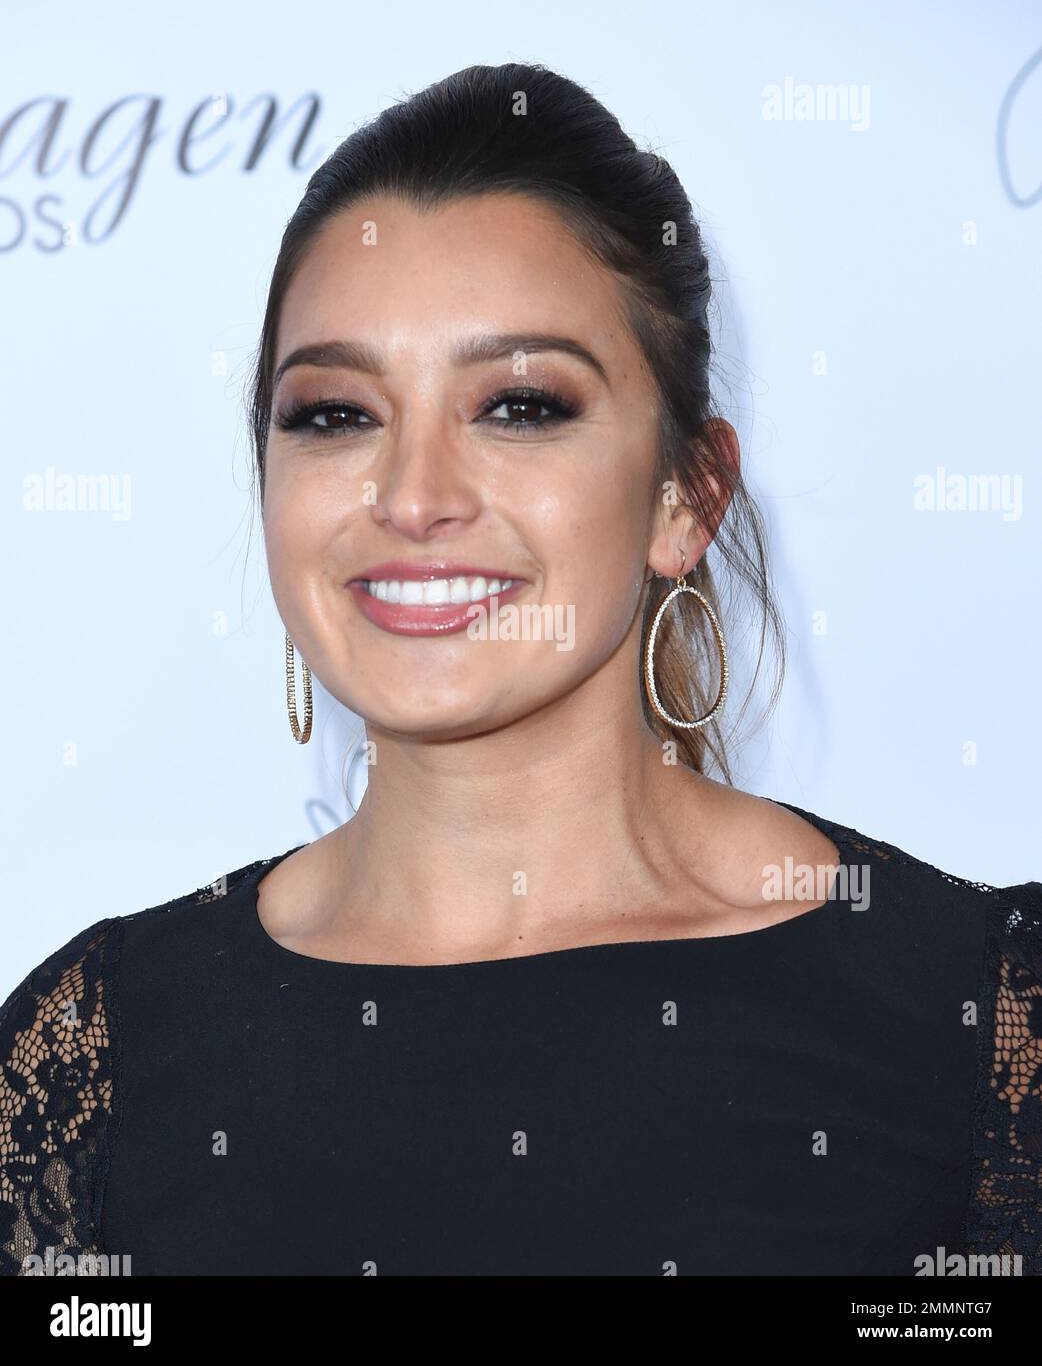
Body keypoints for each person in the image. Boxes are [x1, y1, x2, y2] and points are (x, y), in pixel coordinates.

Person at [2, 62, 1039, 1278]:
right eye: (335, 414)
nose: (413, 497)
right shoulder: (92, 1054)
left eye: (520, 405)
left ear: (684, 496)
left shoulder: (980, 1020)